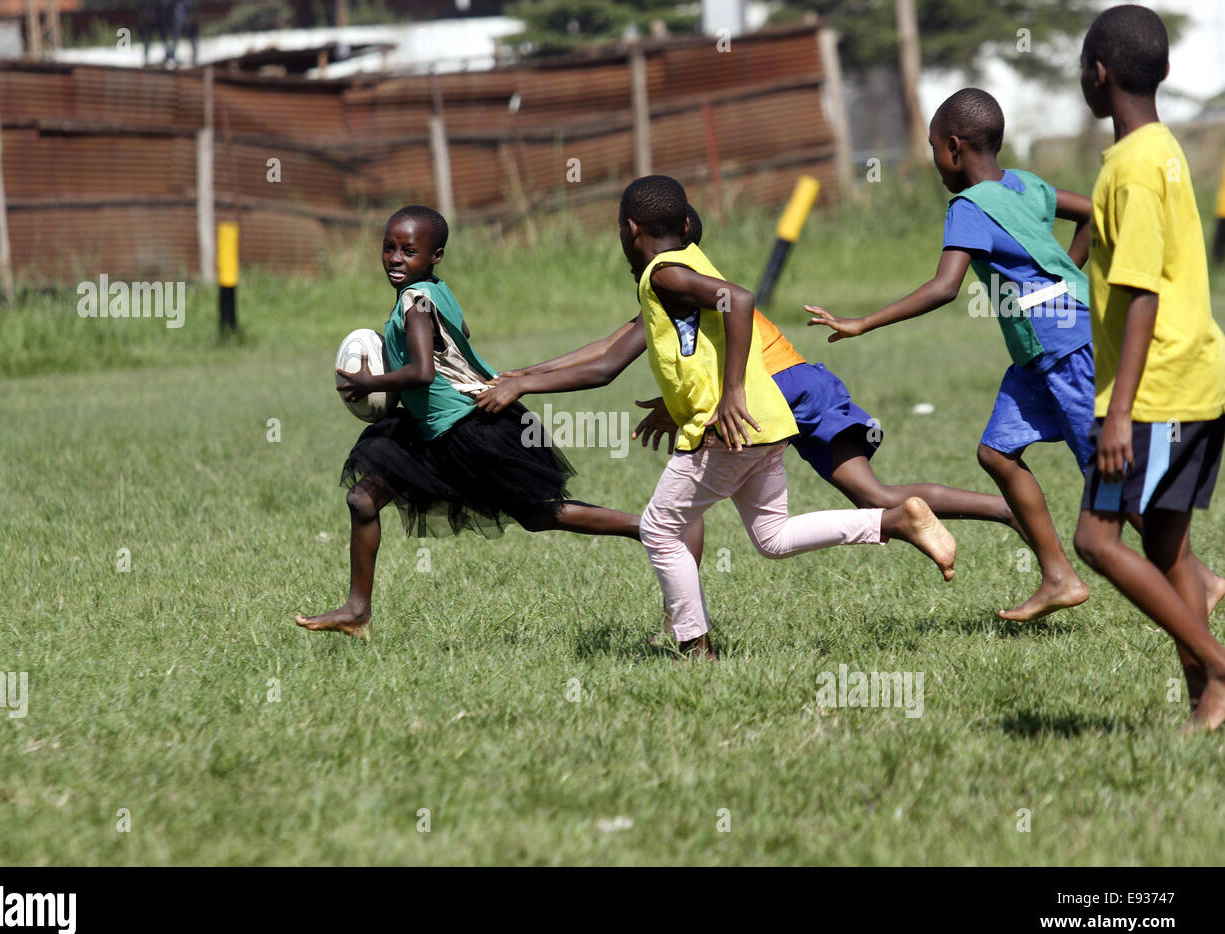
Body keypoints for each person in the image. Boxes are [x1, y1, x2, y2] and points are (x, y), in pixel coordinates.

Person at [479, 203, 1016, 534]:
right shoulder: (684, 282)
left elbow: (606, 365)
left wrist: (524, 382)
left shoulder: (673, 282)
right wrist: (520, 374)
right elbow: (608, 346)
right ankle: (1008, 510)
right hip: (803, 383)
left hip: (773, 390)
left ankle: (686, 628)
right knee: (872, 496)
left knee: (677, 514)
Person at [604, 175, 956, 660]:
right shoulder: (691, 258)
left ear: (630, 229)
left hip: (731, 427)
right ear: (687, 225)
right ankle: (894, 522)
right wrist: (681, 402)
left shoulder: (662, 272)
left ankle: (694, 646)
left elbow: (740, 299)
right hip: (768, 423)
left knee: (659, 528)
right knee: (773, 537)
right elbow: (701, 348)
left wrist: (729, 395)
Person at [807, 88, 1103, 623]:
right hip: (1039, 353)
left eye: (931, 148)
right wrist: (1064, 277)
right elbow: (1092, 214)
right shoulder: (1025, 185)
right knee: (996, 453)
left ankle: (1192, 578)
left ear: (952, 147)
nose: (933, 160)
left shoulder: (968, 206)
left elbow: (945, 288)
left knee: (1106, 472)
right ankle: (1059, 576)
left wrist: (864, 322)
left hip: (1065, 347)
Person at [294, 205, 646, 638]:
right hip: (440, 426)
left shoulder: (413, 300)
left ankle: (647, 528)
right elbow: (457, 336)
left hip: (471, 431)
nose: (396, 259)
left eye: (409, 251)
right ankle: (356, 611)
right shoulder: (437, 291)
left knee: (541, 515)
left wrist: (374, 382)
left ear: (435, 255)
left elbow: (423, 370)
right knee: (363, 500)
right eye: (389, 248)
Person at [1071, 4, 1225, 730]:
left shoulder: (1131, 169)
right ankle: (1207, 702)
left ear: (1097, 75)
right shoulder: (1161, 148)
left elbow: (1138, 294)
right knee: (1166, 546)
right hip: (1193, 376)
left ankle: (1220, 669)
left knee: (1097, 539)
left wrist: (1121, 411)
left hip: (1157, 390)